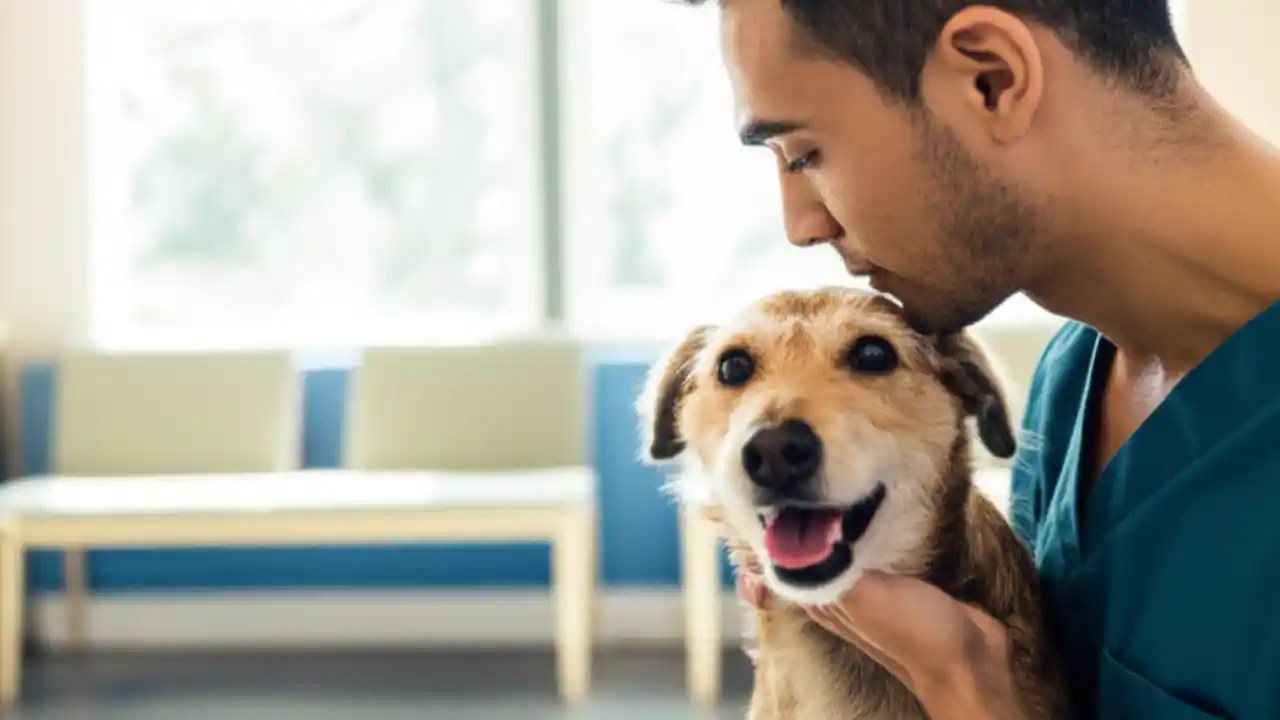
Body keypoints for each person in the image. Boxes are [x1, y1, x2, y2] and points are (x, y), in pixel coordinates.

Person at [676, 0, 1280, 718]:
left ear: (991, 79)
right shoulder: (1070, 386)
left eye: (806, 153)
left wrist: (971, 697)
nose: (802, 226)